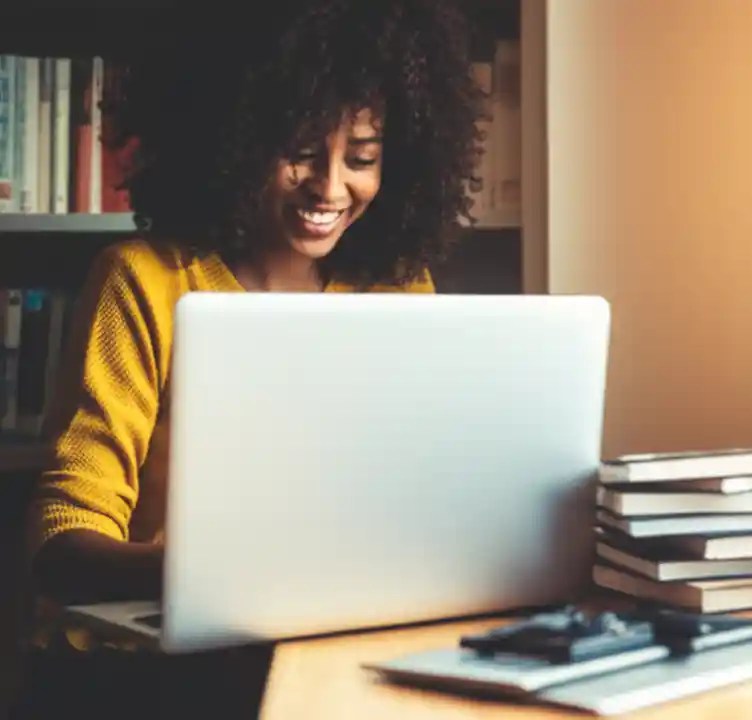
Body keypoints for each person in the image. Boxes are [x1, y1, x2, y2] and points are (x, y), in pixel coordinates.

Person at [12, 0, 484, 716]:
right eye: (300, 152)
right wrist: (216, 578)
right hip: (146, 669)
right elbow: (62, 546)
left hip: (332, 643)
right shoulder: (144, 281)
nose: (331, 187)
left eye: (362, 158)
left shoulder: (399, 290)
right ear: (232, 136)